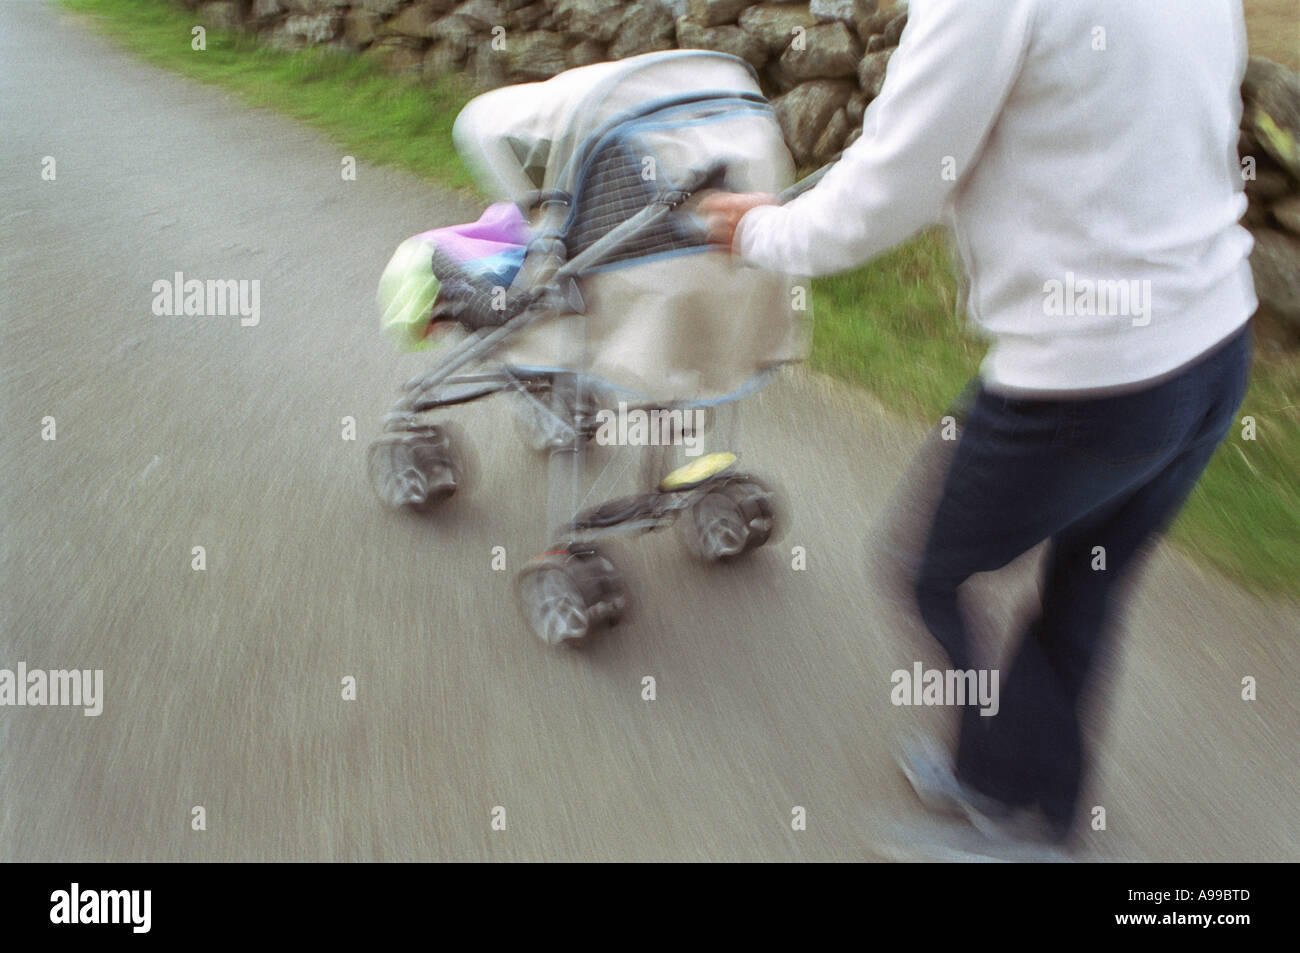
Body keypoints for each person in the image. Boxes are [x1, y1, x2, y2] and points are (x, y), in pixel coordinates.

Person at [700, 0, 1256, 852]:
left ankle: (1016, 814)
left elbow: (888, 190)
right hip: (1216, 342)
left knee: (929, 571)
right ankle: (1027, 794)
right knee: (1088, 579)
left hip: (1089, 377)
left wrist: (759, 233)